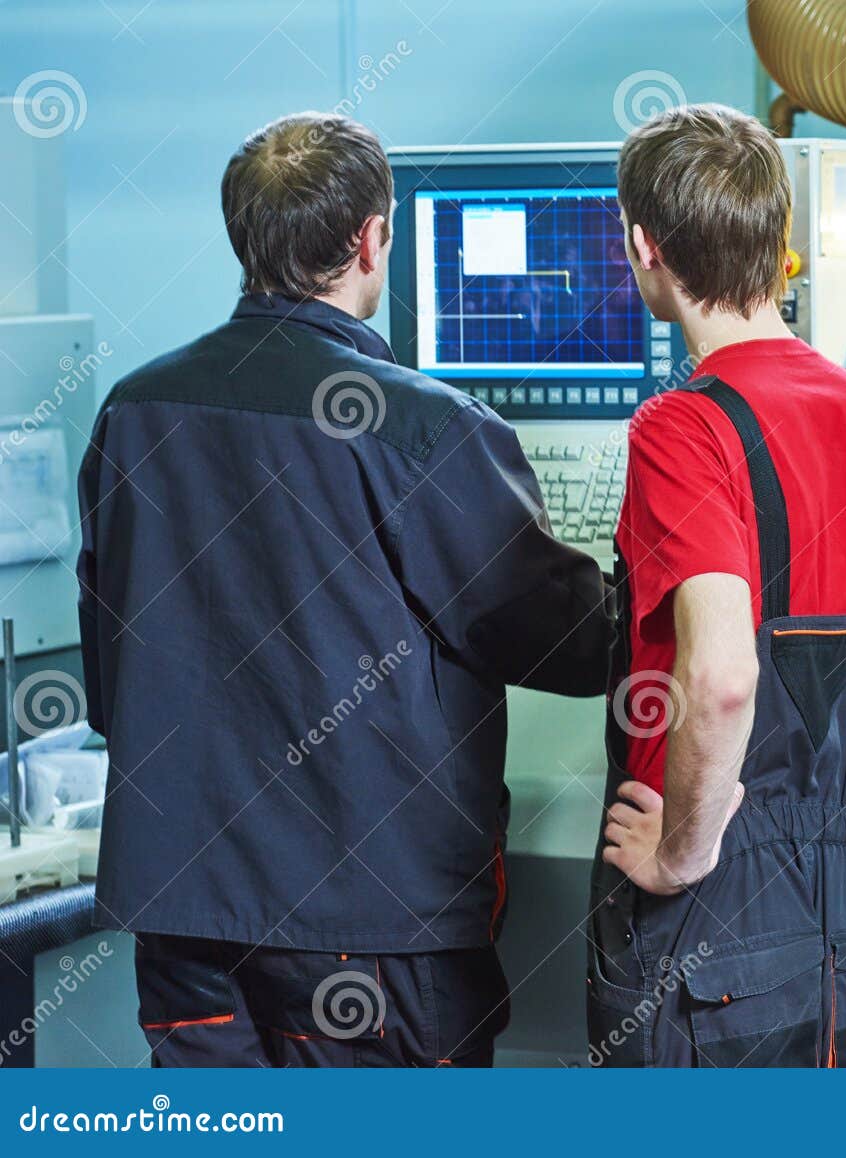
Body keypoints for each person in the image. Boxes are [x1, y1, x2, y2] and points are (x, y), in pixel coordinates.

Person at [76, 112, 611, 1067]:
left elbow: (112, 665)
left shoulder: (134, 407)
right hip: (373, 926)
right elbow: (561, 641)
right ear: (373, 240)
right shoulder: (423, 427)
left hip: (184, 914)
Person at [588, 103, 846, 1068]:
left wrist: (679, 852)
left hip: (703, 906)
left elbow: (721, 679)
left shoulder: (682, 428)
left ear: (646, 247)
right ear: (778, 246)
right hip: (837, 913)